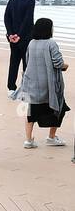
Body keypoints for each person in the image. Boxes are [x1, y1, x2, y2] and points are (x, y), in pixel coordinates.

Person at [19, 17, 69, 149]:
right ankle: (51, 137)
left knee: (30, 113)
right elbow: (58, 63)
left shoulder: (31, 43)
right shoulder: (51, 43)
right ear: (48, 29)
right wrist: (65, 66)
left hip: (31, 84)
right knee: (59, 108)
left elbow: (28, 61)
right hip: (48, 85)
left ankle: (28, 140)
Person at [3, 0, 36, 97]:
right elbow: (28, 20)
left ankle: (11, 88)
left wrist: (11, 33)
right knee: (27, 63)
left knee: (14, 62)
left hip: (13, 38)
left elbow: (7, 18)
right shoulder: (30, 1)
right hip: (25, 37)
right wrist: (20, 35)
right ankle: (26, 87)